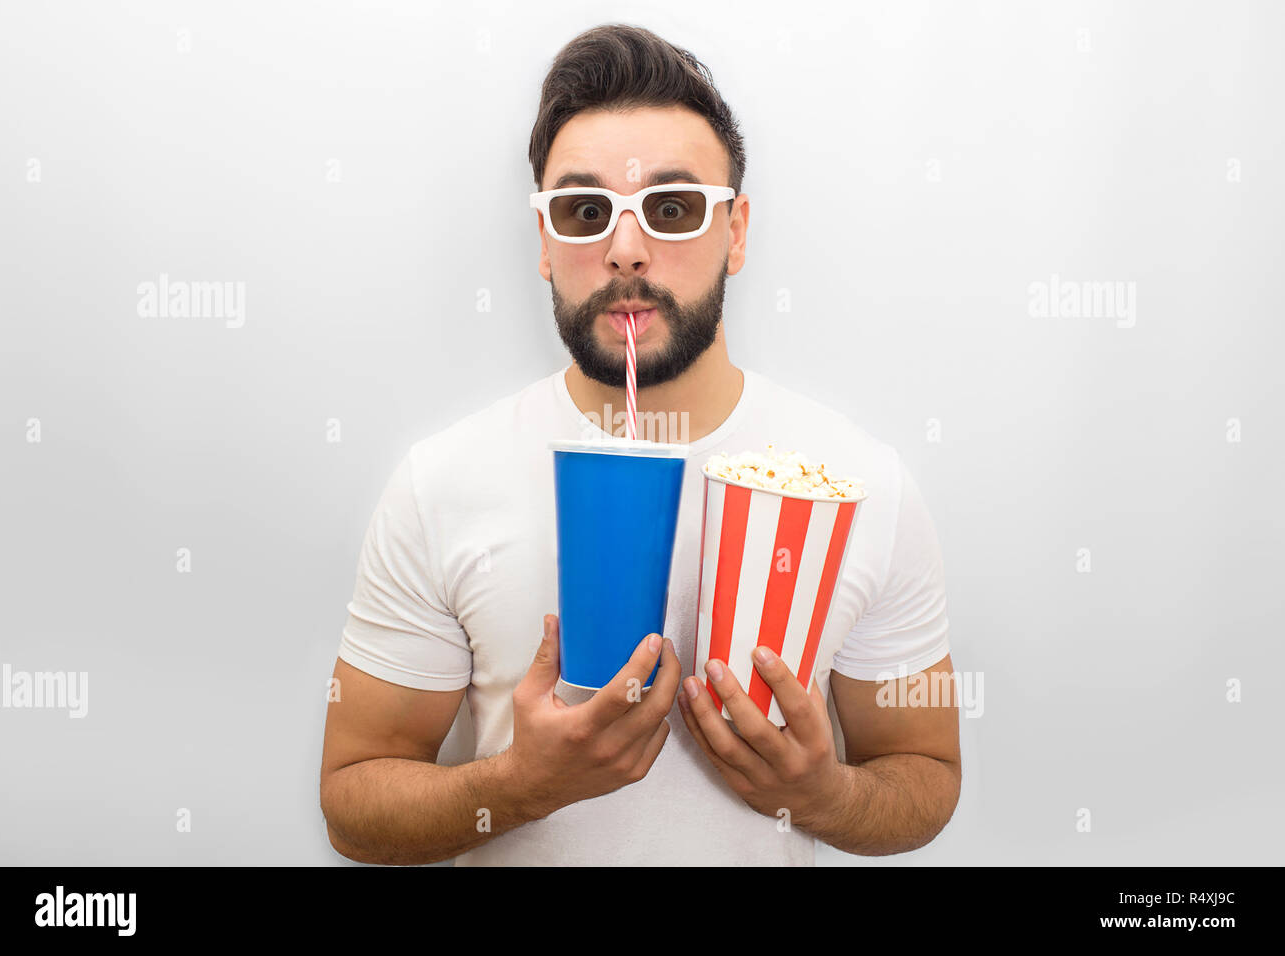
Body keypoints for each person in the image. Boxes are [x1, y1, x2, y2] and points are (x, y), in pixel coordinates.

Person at [319, 22, 960, 866]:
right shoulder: (440, 483)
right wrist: (520, 784)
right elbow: (354, 801)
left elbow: (926, 774)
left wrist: (822, 796)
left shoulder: (863, 485)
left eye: (672, 207)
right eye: (586, 211)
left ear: (735, 232)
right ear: (546, 244)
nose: (626, 249)